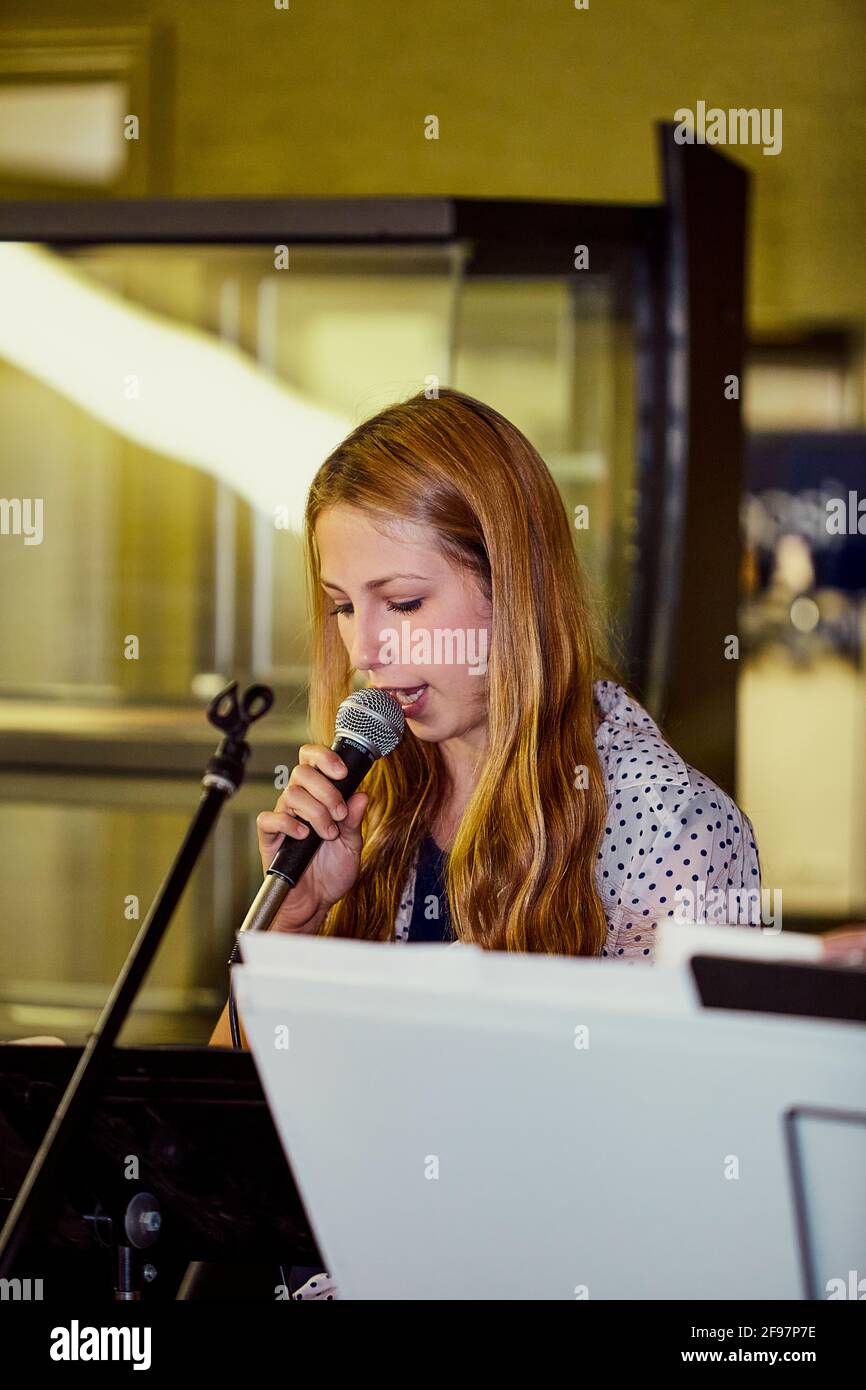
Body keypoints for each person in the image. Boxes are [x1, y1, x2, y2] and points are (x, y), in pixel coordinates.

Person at [205, 386, 772, 1295]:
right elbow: (214, 1155)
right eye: (343, 606)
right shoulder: (375, 799)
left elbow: (687, 1188)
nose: (367, 648)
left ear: (516, 586)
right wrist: (294, 923)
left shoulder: (667, 825)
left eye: (405, 601)